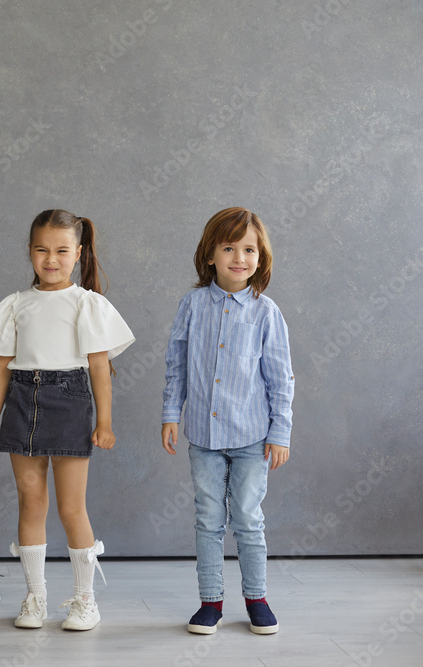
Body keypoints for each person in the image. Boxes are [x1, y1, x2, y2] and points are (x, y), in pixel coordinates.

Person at [0, 210, 134, 631]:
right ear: (30, 252)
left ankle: (85, 600)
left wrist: (105, 422)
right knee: (30, 500)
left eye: (62, 251)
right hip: (23, 401)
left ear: (78, 253)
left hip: (70, 400)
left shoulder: (87, 303)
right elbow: (1, 366)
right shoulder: (16, 304)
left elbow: (99, 369)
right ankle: (35, 597)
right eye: (42, 250)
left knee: (70, 507)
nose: (51, 259)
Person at [161, 207, 294, 636]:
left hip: (253, 437)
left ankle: (256, 598)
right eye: (229, 247)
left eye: (250, 249)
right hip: (202, 436)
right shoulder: (193, 305)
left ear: (262, 256)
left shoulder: (266, 312)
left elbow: (280, 378)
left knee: (249, 518)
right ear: (210, 255)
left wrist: (280, 432)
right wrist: (170, 414)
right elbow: (176, 364)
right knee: (208, 519)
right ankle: (210, 602)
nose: (240, 257)